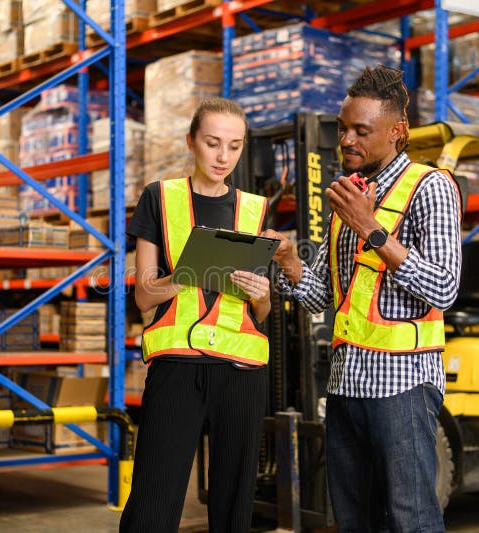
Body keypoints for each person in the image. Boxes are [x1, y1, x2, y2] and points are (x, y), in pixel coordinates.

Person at [264, 66, 462, 532]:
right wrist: (290, 263)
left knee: (410, 520)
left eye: (361, 131)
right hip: (346, 387)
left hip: (403, 388)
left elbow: (444, 287)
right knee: (353, 521)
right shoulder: (349, 197)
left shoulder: (429, 187)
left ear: (397, 132)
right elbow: (323, 299)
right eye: (342, 128)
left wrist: (370, 228)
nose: (347, 140)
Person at [120, 97, 271, 533]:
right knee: (153, 499)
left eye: (235, 146)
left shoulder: (254, 209)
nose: (223, 157)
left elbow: (259, 312)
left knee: (234, 503)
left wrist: (261, 293)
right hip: (178, 368)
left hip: (241, 371)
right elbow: (145, 297)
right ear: (191, 142)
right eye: (212, 143)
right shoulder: (159, 199)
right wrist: (190, 275)